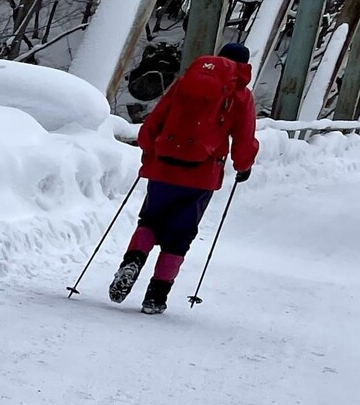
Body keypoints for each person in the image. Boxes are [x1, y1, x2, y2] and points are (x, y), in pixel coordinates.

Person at [110, 41, 260, 314]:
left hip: (164, 166)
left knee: (150, 221)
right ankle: (156, 296)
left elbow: (156, 119)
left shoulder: (184, 82)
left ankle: (133, 259)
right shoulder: (241, 95)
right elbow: (244, 138)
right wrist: (243, 165)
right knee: (180, 235)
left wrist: (148, 149)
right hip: (201, 175)